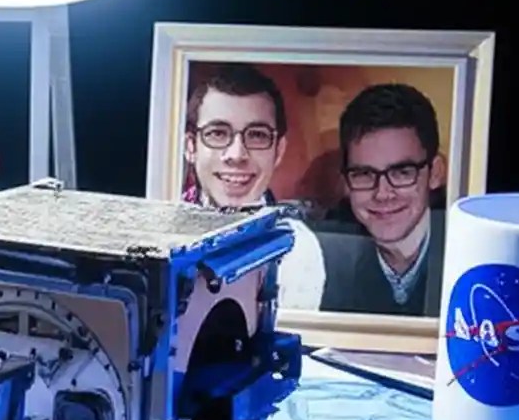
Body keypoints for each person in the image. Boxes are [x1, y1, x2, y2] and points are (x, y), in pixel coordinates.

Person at [182, 64, 325, 310]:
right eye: (217, 133)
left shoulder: (298, 249)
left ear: (278, 151)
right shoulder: (161, 237)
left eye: (257, 135)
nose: (237, 155)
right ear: (191, 147)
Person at [316, 83, 447, 317]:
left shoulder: (466, 252)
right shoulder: (322, 257)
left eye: (402, 172)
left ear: (435, 173)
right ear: (346, 182)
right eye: (364, 174)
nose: (383, 193)